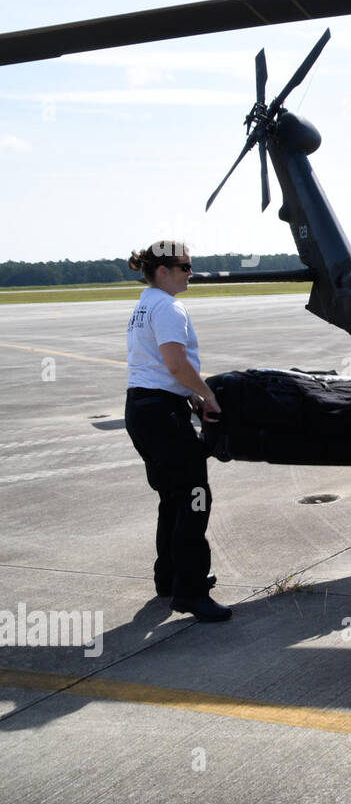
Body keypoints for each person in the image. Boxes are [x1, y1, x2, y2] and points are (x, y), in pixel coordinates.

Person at [124, 241, 229, 622]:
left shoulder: (145, 303)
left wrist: (188, 398)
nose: (191, 273)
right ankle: (191, 590)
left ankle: (169, 577)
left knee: (172, 497)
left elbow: (160, 367)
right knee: (196, 496)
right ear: (164, 271)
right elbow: (174, 362)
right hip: (162, 415)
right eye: (185, 267)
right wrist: (207, 396)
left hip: (142, 409)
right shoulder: (169, 307)